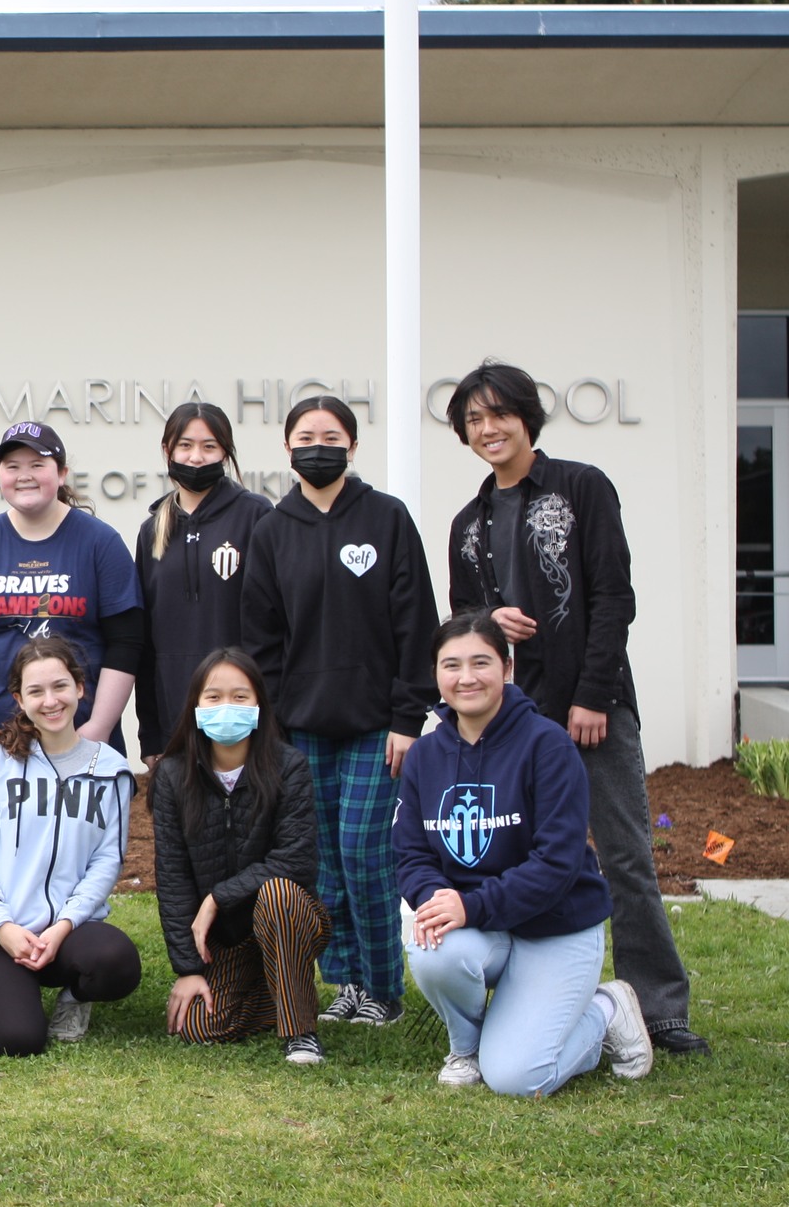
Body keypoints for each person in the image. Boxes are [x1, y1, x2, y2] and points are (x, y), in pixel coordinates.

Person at [444, 359, 708, 1056]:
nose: (487, 428)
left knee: (624, 856)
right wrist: (488, 616)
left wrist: (595, 695)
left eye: (498, 413)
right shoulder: (466, 522)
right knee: (515, 859)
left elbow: (613, 596)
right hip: (510, 725)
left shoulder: (583, 488)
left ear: (527, 415)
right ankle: (537, 999)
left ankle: (658, 1006)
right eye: (473, 419)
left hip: (590, 709)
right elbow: (463, 624)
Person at [240, 394, 434, 1028]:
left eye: (330, 435)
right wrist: (270, 731)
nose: (317, 445)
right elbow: (261, 643)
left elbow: (415, 625)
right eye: (304, 435)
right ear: (288, 449)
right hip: (301, 729)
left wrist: (409, 718)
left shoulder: (387, 518)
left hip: (377, 725)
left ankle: (384, 988)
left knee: (364, 852)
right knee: (319, 860)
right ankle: (345, 981)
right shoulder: (271, 530)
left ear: (352, 446)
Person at [399, 611, 653, 1094]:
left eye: (481, 662)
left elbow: (557, 864)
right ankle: (467, 1049)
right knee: (431, 945)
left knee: (519, 1077)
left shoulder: (547, 746)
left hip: (556, 926)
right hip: (480, 926)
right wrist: (437, 900)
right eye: (451, 665)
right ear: (436, 673)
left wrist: (469, 904)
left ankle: (607, 1010)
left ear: (508, 668)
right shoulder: (425, 757)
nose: (466, 677)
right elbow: (412, 854)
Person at [0, 636, 142, 1057]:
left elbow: (107, 860)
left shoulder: (112, 769)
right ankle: (12, 984)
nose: (50, 700)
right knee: (17, 1040)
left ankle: (75, 997)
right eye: (35, 691)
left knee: (117, 961)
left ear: (79, 687)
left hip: (68, 934)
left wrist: (64, 926)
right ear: (20, 699)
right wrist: (2, 926)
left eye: (60, 686)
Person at [149, 648, 329, 1064]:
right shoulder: (174, 776)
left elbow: (296, 861)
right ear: (195, 704)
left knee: (279, 894)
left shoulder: (289, 766)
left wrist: (217, 898)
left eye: (240, 696)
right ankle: (279, 991)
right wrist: (189, 969)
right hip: (226, 940)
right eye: (213, 697)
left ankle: (300, 1031)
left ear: (260, 705)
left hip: (288, 919)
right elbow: (173, 877)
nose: (226, 707)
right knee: (199, 1027)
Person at [0, 421, 143, 772]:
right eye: (12, 466)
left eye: (37, 465)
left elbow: (127, 642)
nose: (24, 475)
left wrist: (99, 727)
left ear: (61, 474)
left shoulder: (100, 543)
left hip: (82, 737)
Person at [133, 402, 271, 764]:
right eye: (185, 445)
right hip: (174, 722)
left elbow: (273, 623)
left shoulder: (256, 515)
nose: (196, 457)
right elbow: (145, 641)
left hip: (241, 718)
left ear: (225, 452)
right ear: (167, 450)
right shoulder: (151, 531)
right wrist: (151, 735)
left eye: (209, 446)